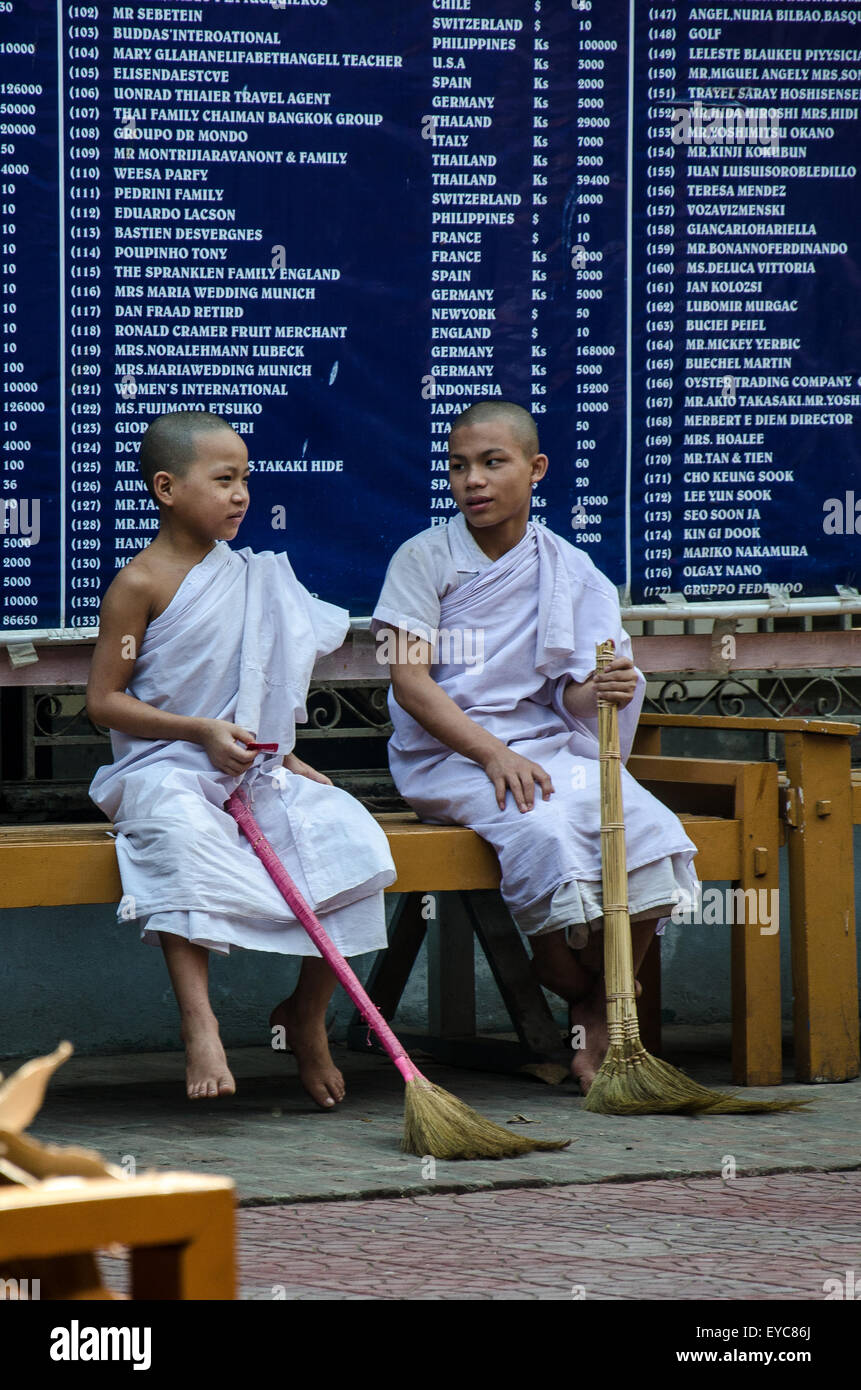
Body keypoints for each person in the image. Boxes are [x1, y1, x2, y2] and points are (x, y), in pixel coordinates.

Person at [372, 399, 699, 1094]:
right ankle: (560, 971)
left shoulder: (569, 568)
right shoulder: (422, 559)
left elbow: (573, 698)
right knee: (546, 827)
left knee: (649, 828)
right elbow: (408, 681)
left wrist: (606, 688)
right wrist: (492, 753)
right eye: (459, 467)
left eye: (493, 463)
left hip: (546, 744)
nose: (474, 481)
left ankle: (603, 1002)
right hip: (449, 753)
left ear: (535, 468)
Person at [87, 411, 396, 1106]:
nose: (241, 495)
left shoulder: (256, 577)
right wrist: (198, 731)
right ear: (167, 487)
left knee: (348, 834)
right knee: (178, 834)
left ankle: (306, 1017)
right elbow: (104, 701)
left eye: (246, 479)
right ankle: (200, 1023)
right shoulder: (139, 584)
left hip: (249, 767)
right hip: (164, 766)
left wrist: (277, 755)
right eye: (223, 479)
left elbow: (265, 680)